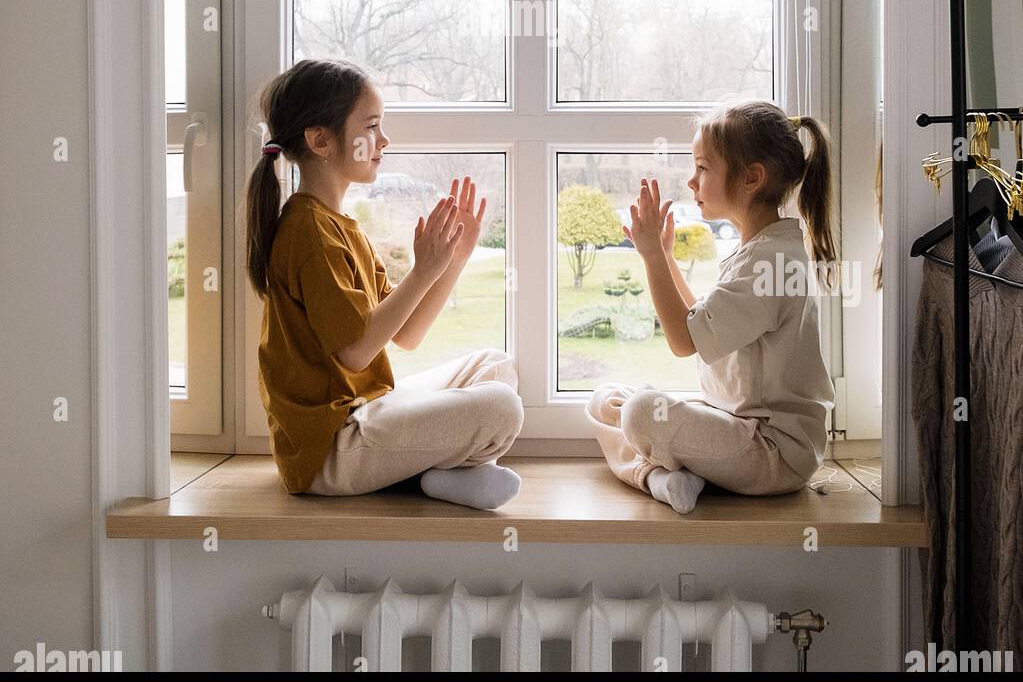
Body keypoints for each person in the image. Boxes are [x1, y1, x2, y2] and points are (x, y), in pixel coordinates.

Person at [245, 57, 524, 509]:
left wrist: (453, 259)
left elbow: (406, 335)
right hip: (329, 451)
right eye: (371, 126)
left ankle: (436, 476)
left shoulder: (339, 224)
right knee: (502, 408)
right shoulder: (307, 231)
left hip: (366, 414)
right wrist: (422, 271)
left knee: (495, 366)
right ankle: (437, 475)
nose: (384, 141)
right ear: (321, 140)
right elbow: (355, 352)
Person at [586, 100, 837, 514]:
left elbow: (684, 341)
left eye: (703, 168)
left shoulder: (770, 261)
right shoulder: (758, 250)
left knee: (642, 412)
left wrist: (651, 258)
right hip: (732, 424)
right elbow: (700, 320)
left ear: (752, 178)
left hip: (773, 453)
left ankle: (657, 475)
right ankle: (670, 476)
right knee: (605, 399)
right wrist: (665, 256)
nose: (691, 181)